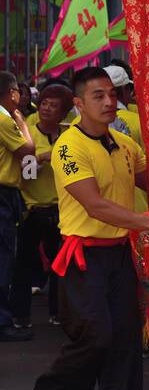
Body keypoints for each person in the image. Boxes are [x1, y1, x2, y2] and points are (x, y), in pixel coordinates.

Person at [33, 67, 149, 390]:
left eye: (112, 94)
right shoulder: (69, 147)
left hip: (119, 255)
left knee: (126, 340)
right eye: (98, 96)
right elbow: (95, 205)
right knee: (95, 337)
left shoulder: (123, 143)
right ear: (79, 104)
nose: (109, 101)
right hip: (82, 257)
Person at [10, 83, 73, 328]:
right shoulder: (28, 135)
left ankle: (59, 313)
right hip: (32, 209)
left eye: (54, 106)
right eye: (45, 103)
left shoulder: (68, 136)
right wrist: (43, 157)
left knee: (61, 265)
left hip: (61, 209)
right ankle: (20, 315)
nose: (46, 109)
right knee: (24, 265)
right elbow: (24, 175)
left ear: (63, 112)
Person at [0, 71, 36, 342]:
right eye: (17, 92)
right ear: (12, 93)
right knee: (4, 256)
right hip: (3, 194)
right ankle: (3, 320)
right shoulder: (4, 118)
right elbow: (28, 150)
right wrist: (22, 123)